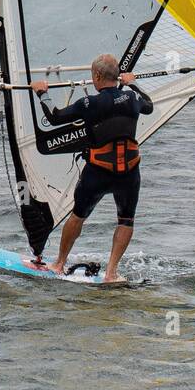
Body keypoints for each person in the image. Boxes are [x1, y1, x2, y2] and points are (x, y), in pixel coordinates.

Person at [30, 53, 153, 282]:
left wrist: (41, 92)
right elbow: (149, 106)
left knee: (78, 216)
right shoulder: (132, 98)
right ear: (117, 77)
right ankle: (111, 273)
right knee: (126, 220)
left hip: (99, 172)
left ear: (97, 76)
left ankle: (58, 264)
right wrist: (133, 83)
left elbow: (55, 118)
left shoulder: (89, 103)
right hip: (129, 174)